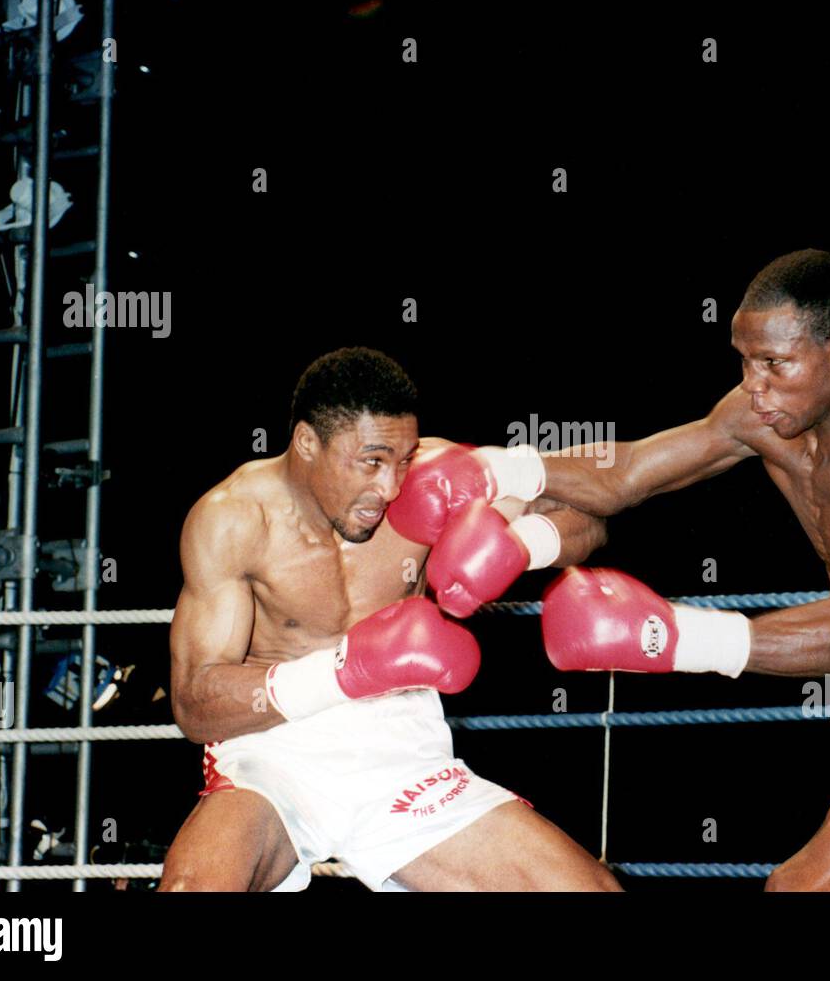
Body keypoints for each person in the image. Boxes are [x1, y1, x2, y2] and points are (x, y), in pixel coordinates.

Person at [406, 250, 830, 892]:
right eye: (743, 362)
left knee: (803, 887)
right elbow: (629, 474)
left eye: (774, 364)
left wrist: (670, 638)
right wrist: (496, 468)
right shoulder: (762, 418)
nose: (753, 388)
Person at [160, 347, 619, 892]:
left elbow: (591, 518)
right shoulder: (233, 517)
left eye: (402, 460)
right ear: (307, 442)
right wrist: (345, 671)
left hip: (400, 748)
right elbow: (194, 706)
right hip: (273, 752)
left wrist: (522, 544)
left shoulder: (434, 473)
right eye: (372, 461)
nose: (392, 486)